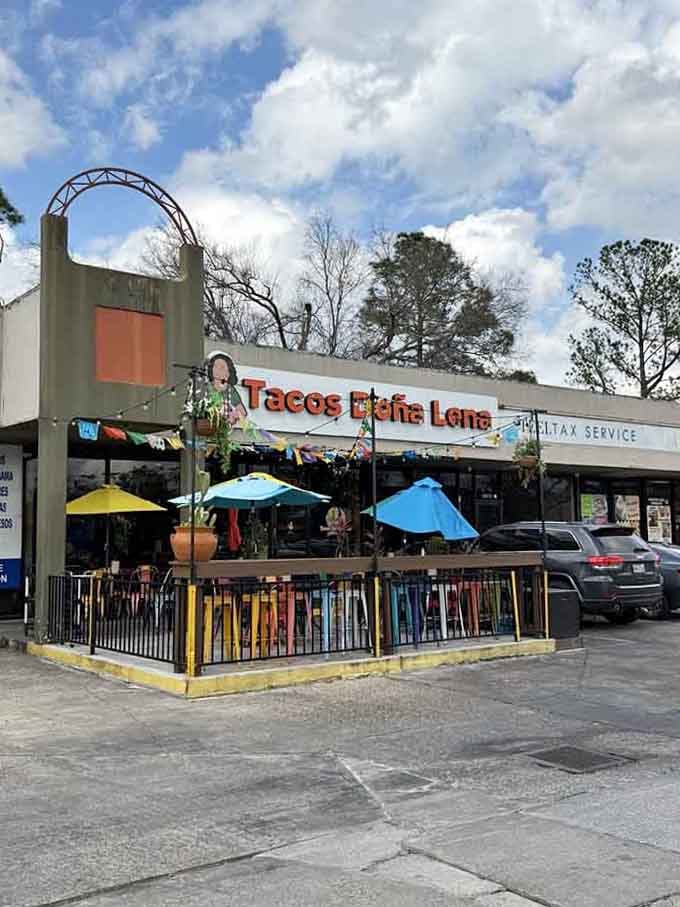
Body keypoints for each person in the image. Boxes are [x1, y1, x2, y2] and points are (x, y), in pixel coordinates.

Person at [206, 351, 247, 427]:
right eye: (216, 366)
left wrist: (235, 415)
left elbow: (243, 412)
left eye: (222, 367)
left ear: (228, 372)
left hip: (225, 429)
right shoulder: (206, 387)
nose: (218, 370)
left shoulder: (230, 390)